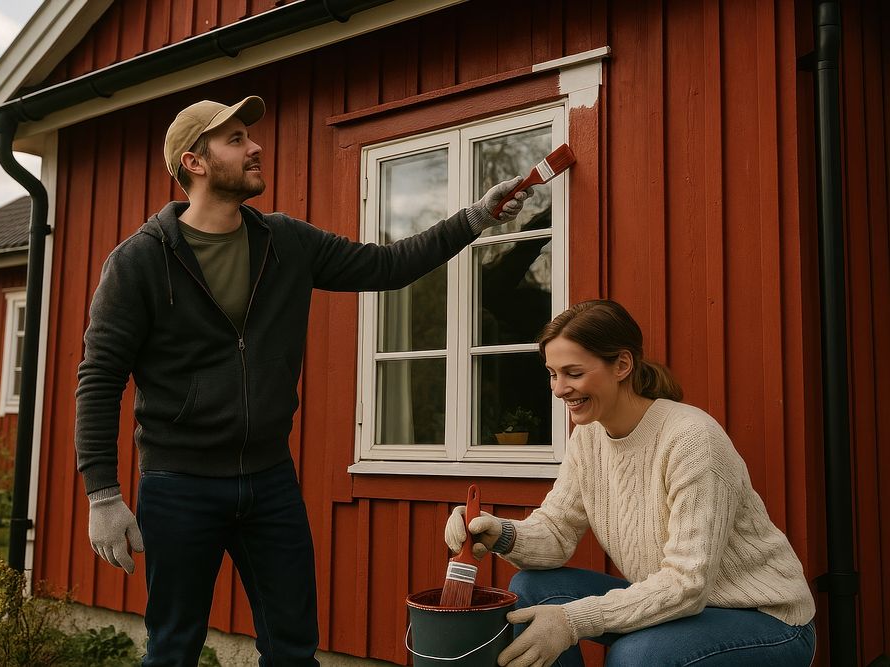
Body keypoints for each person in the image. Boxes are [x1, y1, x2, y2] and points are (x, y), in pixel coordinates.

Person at [74, 95, 533, 667]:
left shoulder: (284, 242)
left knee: (293, 648)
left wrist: (476, 219)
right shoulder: (138, 262)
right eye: (236, 138)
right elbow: (98, 377)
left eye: (250, 135)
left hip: (269, 480)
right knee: (173, 647)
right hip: (179, 483)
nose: (256, 145)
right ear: (194, 161)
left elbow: (385, 265)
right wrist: (103, 495)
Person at [445, 299, 816, 666]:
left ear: (622, 364)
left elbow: (688, 583)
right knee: (532, 590)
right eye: (552, 374)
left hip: (765, 618)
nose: (558, 390)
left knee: (636, 656)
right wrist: (500, 534)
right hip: (682, 604)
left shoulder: (691, 439)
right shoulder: (589, 438)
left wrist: (573, 620)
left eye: (573, 373)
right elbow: (557, 533)